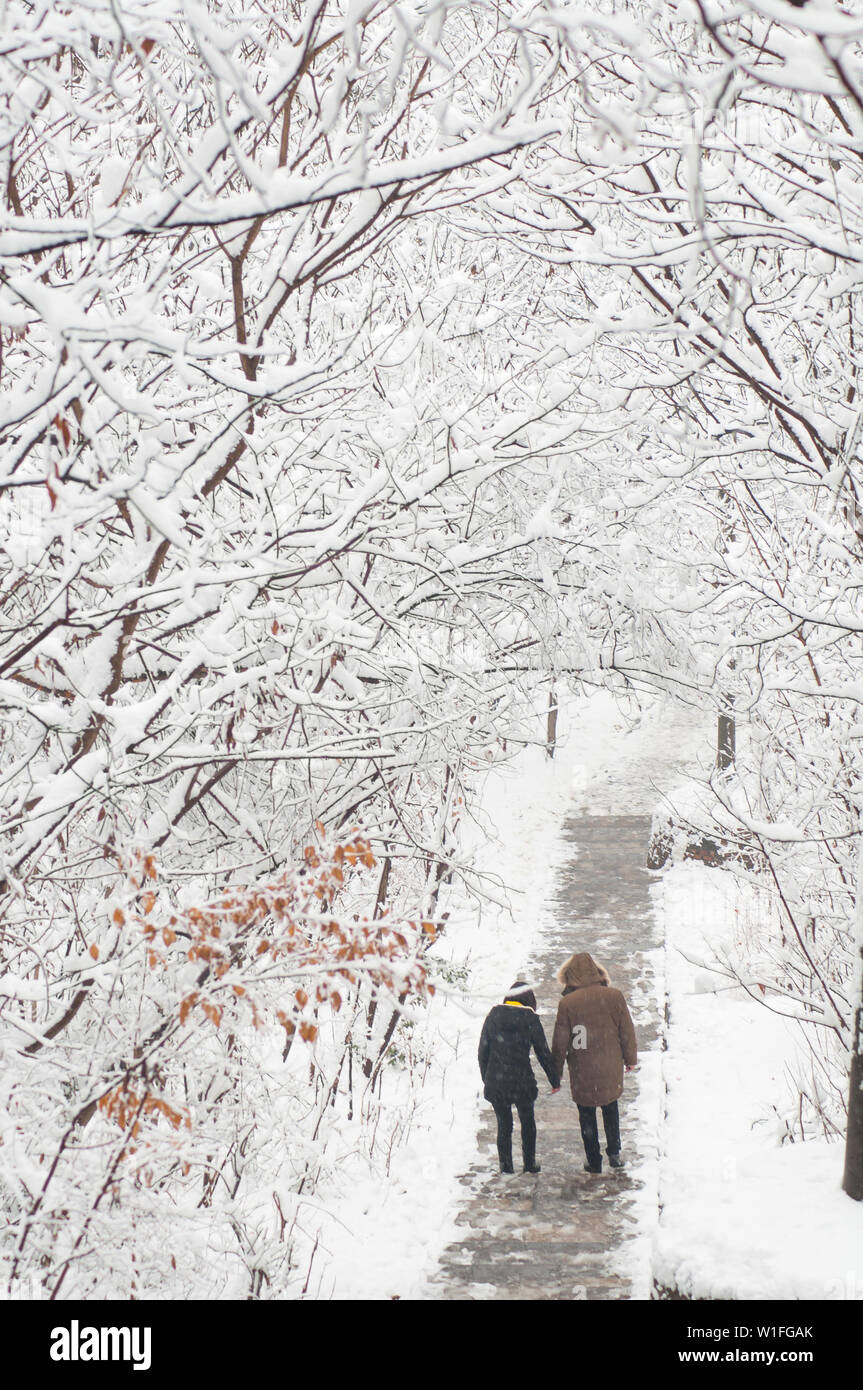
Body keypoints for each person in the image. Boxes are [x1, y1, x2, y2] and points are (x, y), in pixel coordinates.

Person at [551, 953, 637, 1174]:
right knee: (611, 1109)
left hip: (582, 1070)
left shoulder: (567, 1003)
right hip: (610, 1066)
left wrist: (556, 1073)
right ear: (598, 973)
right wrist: (630, 1059)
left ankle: (593, 1159)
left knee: (586, 1114)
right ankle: (615, 1153)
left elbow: (560, 1042)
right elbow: (626, 1031)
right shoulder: (614, 996)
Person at [478, 982, 559, 1174]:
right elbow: (543, 1053)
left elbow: (482, 1051)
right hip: (522, 1082)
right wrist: (554, 1080)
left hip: (497, 1082)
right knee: (527, 1122)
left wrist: (487, 1077)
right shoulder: (530, 1019)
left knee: (503, 1124)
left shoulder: (493, 1017)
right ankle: (529, 1163)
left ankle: (506, 1166)